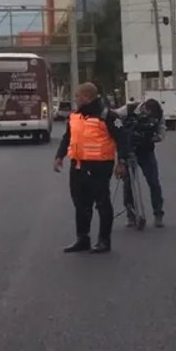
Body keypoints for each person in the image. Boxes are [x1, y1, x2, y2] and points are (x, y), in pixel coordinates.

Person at [53, 82, 129, 253]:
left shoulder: (108, 116)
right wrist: (59, 156)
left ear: (86, 97)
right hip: (78, 165)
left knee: (102, 203)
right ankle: (82, 239)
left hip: (99, 166)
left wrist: (122, 162)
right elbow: (67, 137)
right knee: (80, 203)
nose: (75, 99)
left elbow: (122, 139)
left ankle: (104, 241)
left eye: (77, 96)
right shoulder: (75, 116)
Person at [117, 97, 166, 228]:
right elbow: (114, 118)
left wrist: (157, 137)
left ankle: (158, 213)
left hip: (146, 150)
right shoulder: (128, 109)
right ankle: (131, 215)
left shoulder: (158, 114)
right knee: (128, 183)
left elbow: (161, 128)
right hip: (129, 149)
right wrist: (120, 132)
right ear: (144, 108)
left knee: (154, 182)